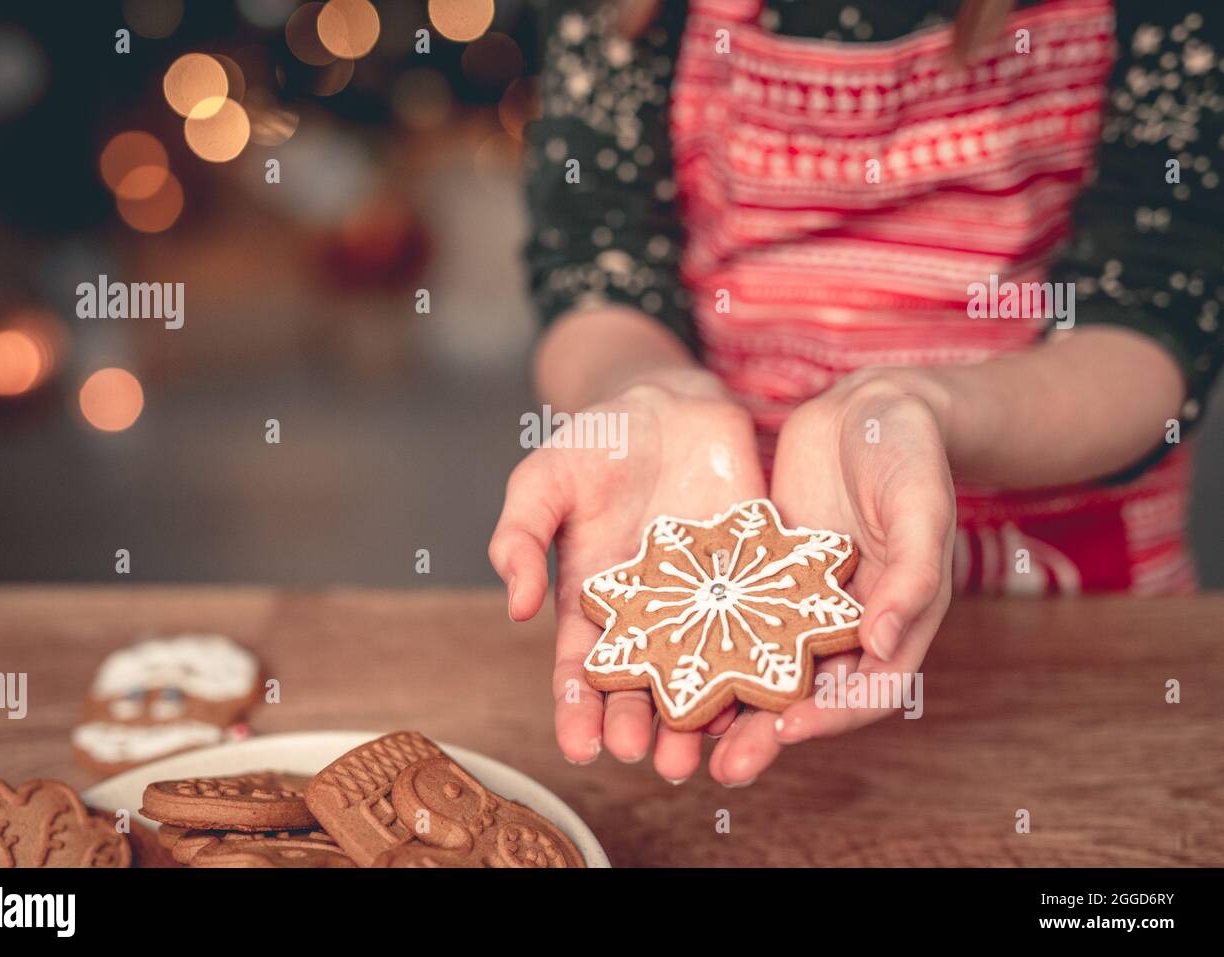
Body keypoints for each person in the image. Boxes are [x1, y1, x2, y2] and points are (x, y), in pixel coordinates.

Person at [489, 0, 1223, 787]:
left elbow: (1152, 320)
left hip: (1075, 610)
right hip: (762, 551)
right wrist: (647, 391)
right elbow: (598, 276)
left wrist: (922, 412)